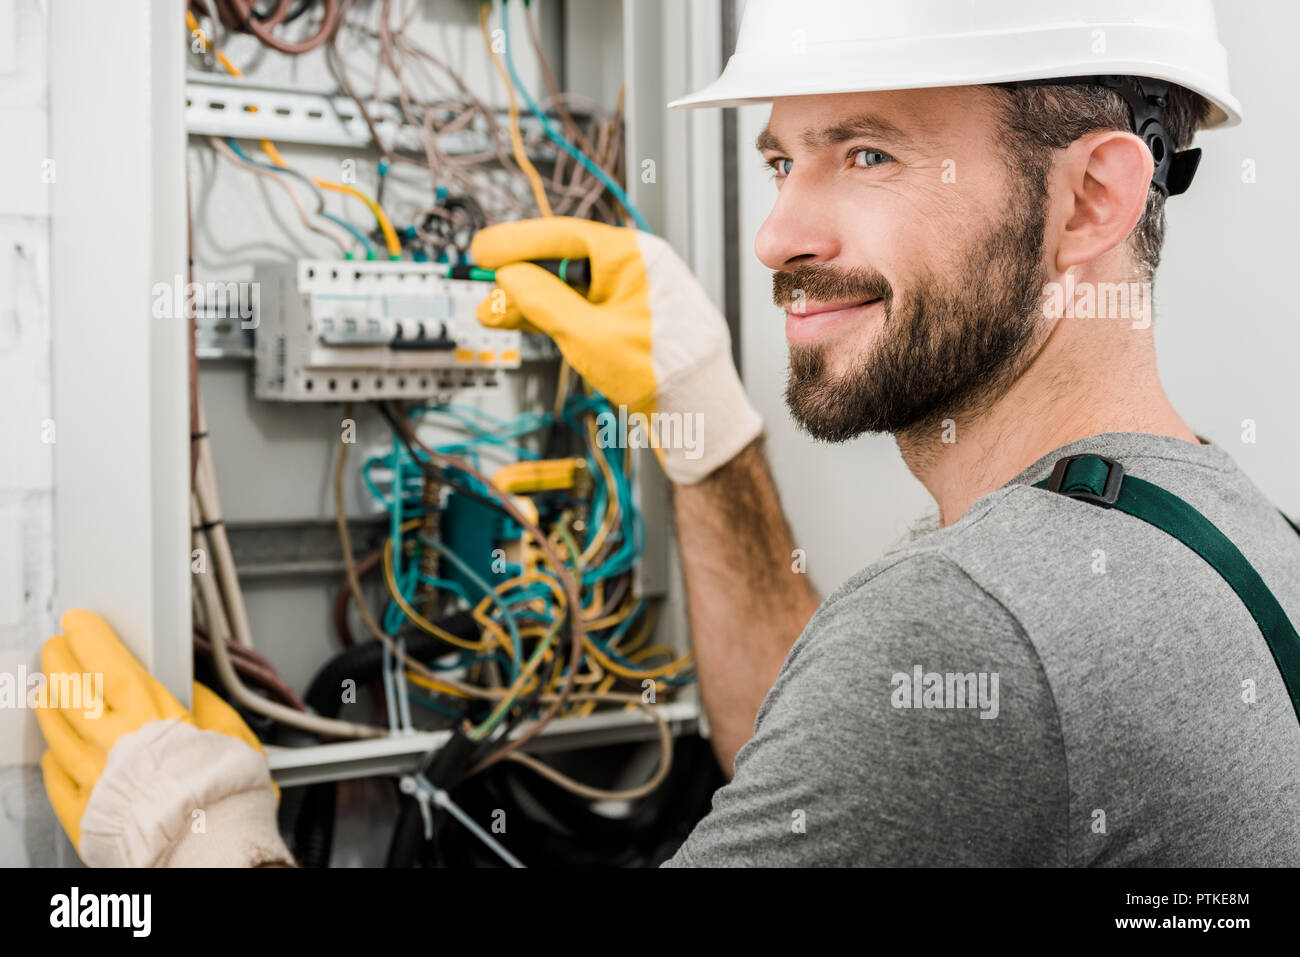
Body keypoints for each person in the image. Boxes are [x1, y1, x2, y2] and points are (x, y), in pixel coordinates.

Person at [38, 0, 1300, 867]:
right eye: (780, 161)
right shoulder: (1220, 533)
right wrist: (703, 420)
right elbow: (798, 770)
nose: (777, 236)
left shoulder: (976, 625)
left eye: (866, 154)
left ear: (1091, 196)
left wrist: (205, 849)